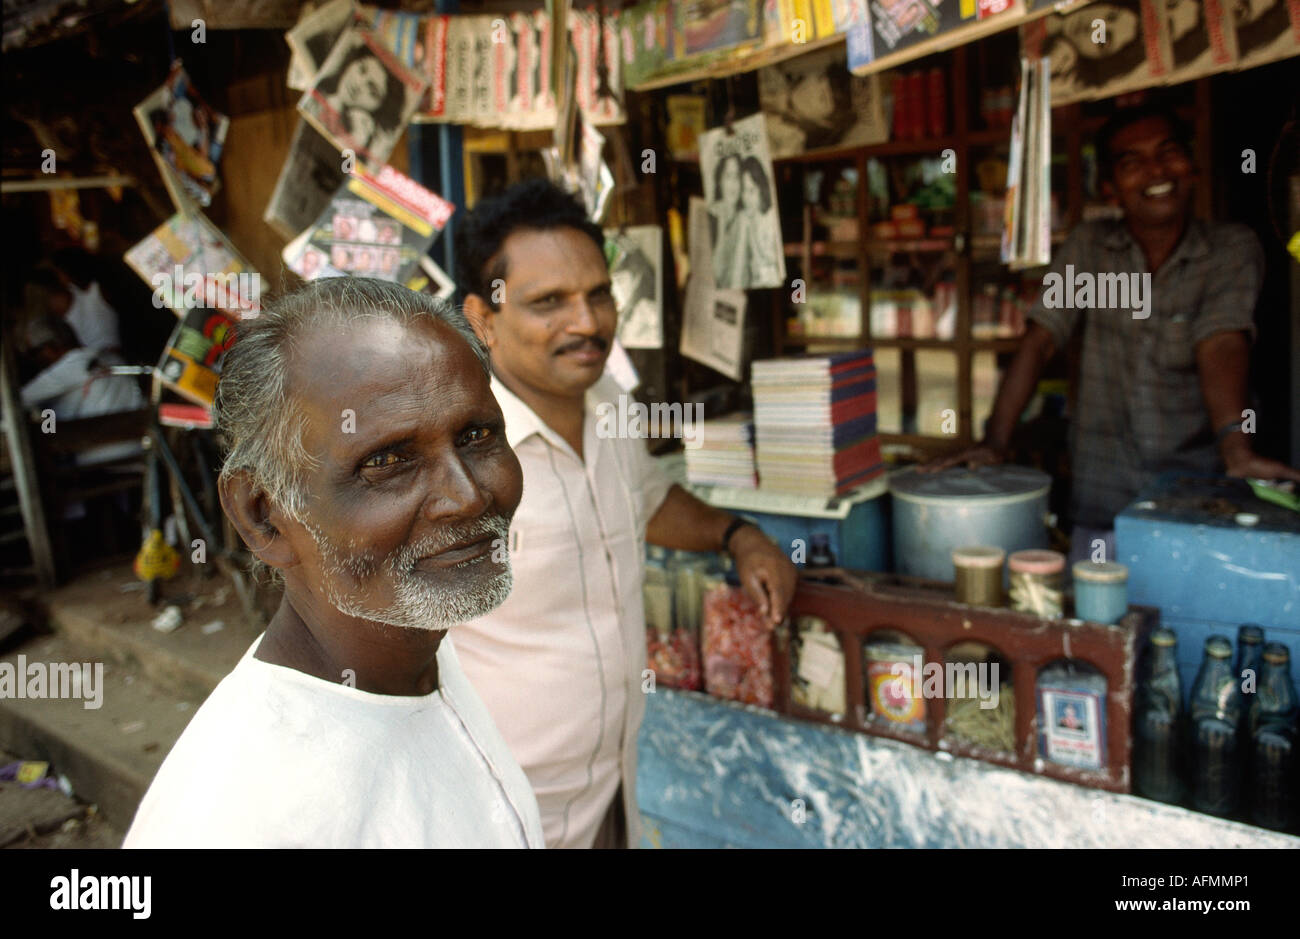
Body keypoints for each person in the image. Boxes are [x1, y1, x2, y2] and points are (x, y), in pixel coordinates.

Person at [123, 278, 545, 848]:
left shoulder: (420, 652)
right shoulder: (235, 820)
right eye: (389, 461)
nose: (467, 496)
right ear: (261, 515)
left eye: (476, 436)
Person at [454, 179, 798, 848]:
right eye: (548, 301)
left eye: (598, 294)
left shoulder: (611, 399)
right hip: (500, 812)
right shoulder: (455, 457)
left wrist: (736, 534)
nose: (587, 322)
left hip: (614, 786)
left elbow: (645, 497)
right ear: (484, 317)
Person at [928, 103, 1300, 562]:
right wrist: (995, 441)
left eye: (1168, 153)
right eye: (1132, 162)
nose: (1155, 171)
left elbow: (1221, 339)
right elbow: (1042, 338)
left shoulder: (1229, 248)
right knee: (1098, 621)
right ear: (1109, 187)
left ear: (1193, 166)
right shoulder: (1090, 247)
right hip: (1103, 495)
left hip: (1196, 495)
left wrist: (1237, 450)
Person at [20, 316, 145, 467]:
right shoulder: (111, 358)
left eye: (33, 353)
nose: (34, 360)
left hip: (97, 464)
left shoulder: (67, 368)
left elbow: (15, 400)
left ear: (49, 348)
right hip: (138, 454)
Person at [45, 248, 124, 364]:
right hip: (105, 358)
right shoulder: (100, 289)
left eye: (58, 272)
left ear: (65, 272)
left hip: (95, 360)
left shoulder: (61, 300)